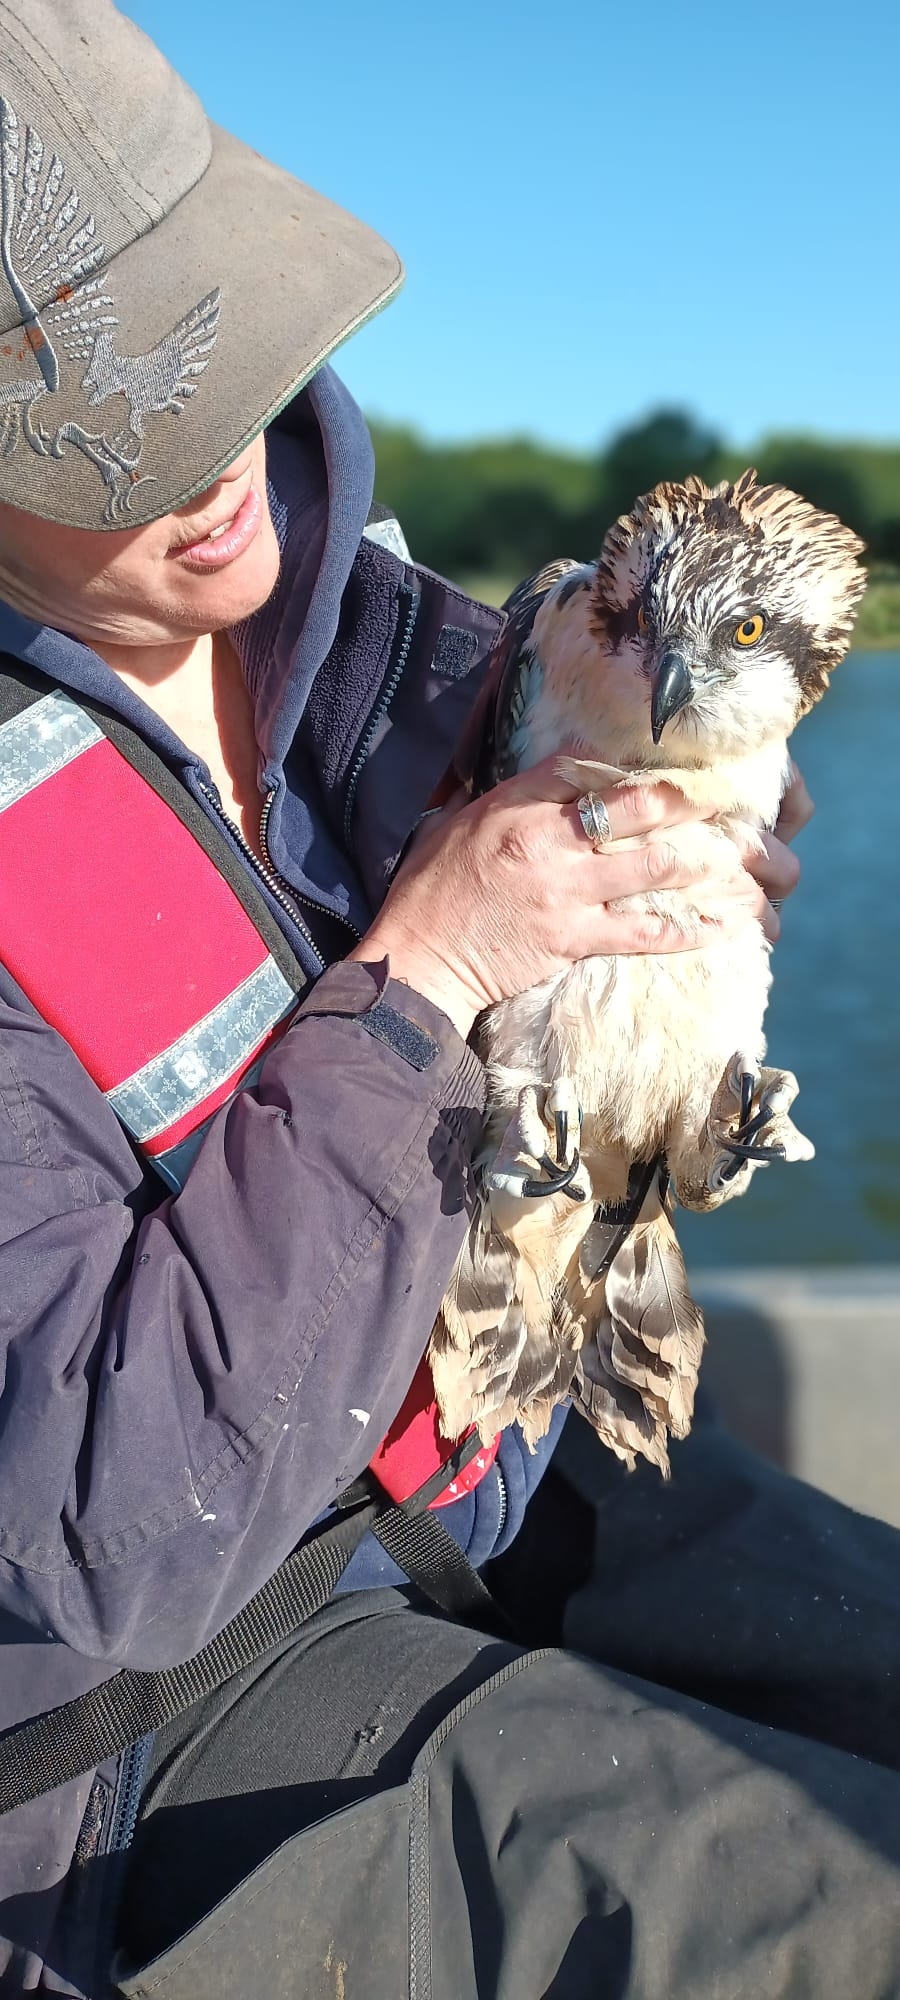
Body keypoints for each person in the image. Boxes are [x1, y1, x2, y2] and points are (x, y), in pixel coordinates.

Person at [1, 5, 899, 1997]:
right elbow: (106, 1528)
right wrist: (430, 976)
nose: (220, 456)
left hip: (502, 1438)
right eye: (128, 424)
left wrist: (668, 906)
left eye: (222, 341)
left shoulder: (430, 642)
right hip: (156, 1698)